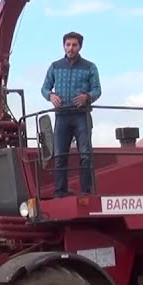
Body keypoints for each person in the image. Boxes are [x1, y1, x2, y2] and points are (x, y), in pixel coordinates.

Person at [40, 31, 101, 196]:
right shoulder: (55, 66)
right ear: (64, 46)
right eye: (68, 45)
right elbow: (44, 88)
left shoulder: (90, 67)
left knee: (85, 154)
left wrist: (87, 97)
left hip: (81, 115)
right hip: (62, 116)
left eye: (74, 45)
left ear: (80, 46)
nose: (71, 48)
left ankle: (86, 192)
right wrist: (50, 96)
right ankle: (60, 191)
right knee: (59, 155)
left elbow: (97, 90)